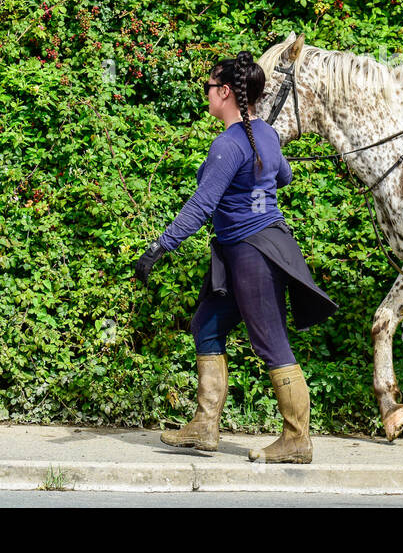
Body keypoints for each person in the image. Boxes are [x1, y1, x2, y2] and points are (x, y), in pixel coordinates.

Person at [131, 50, 337, 464]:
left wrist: (159, 247)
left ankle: (297, 439)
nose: (206, 93)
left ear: (225, 92)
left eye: (209, 87)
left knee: (271, 342)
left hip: (251, 253)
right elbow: (283, 176)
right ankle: (205, 427)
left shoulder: (227, 145)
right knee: (206, 324)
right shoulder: (268, 135)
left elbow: (201, 206)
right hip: (256, 246)